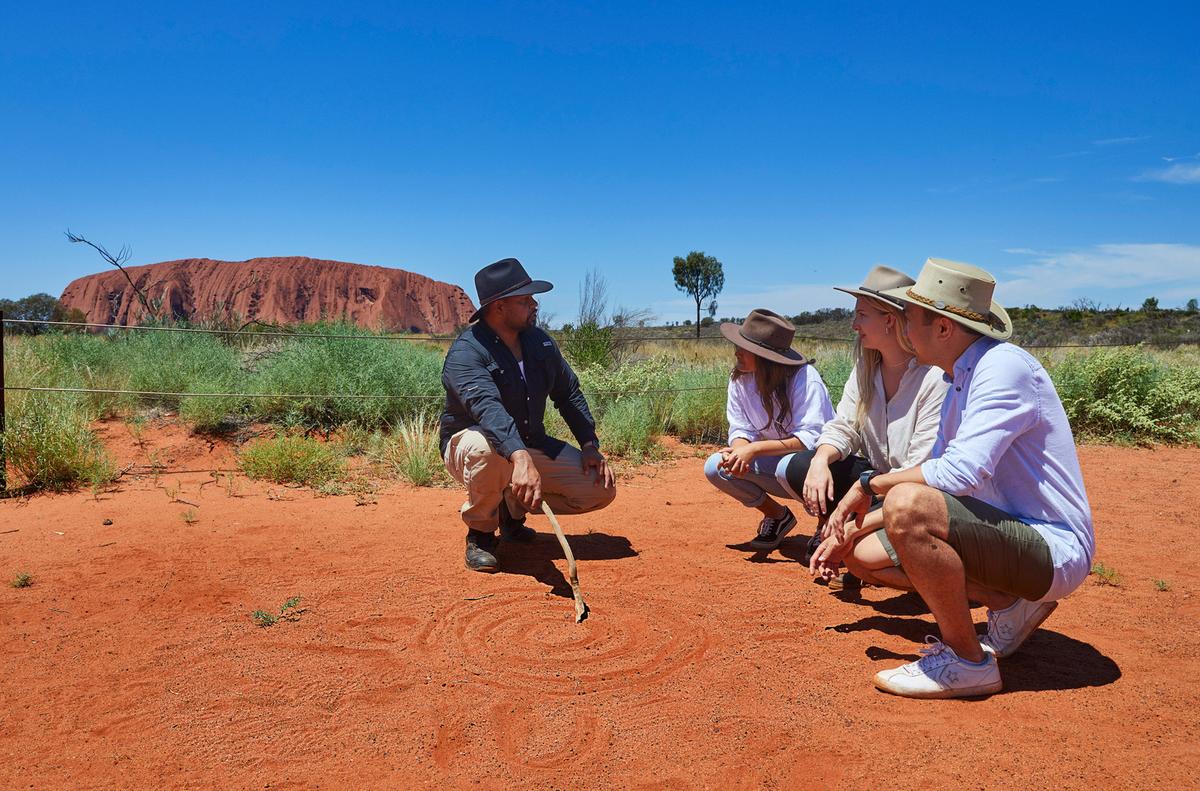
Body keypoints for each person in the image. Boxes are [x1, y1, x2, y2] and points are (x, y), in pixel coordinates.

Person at [810, 258, 1095, 699]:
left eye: (911, 316)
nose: (903, 326)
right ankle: (1010, 605)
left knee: (906, 505)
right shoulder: (960, 376)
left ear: (943, 328)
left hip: (1052, 546)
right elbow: (941, 469)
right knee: (891, 524)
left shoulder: (1002, 368)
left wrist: (867, 487)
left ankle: (968, 662)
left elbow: (959, 472)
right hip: (1009, 532)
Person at [440, 258, 616, 572]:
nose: (534, 305)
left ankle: (510, 507)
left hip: (528, 443)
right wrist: (520, 459)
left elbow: (568, 392)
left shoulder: (540, 342)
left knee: (600, 489)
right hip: (473, 446)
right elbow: (487, 409)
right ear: (498, 308)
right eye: (524, 300)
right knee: (487, 448)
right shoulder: (467, 353)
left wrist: (589, 444)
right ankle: (480, 533)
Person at [781, 266, 949, 573]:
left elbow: (918, 469)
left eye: (861, 314)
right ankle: (839, 528)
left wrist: (851, 518)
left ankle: (850, 534)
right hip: (875, 486)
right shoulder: (866, 368)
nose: (854, 324)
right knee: (802, 465)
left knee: (861, 556)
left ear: (889, 320)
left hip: (911, 493)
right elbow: (844, 427)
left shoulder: (934, 378)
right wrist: (819, 462)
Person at [703, 308, 833, 550]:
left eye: (745, 347)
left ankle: (826, 524)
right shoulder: (740, 379)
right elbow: (741, 427)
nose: (736, 351)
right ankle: (777, 516)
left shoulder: (805, 379)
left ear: (765, 356)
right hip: (777, 464)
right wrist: (740, 451)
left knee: (790, 465)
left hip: (818, 468)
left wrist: (755, 450)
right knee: (716, 466)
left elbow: (811, 439)